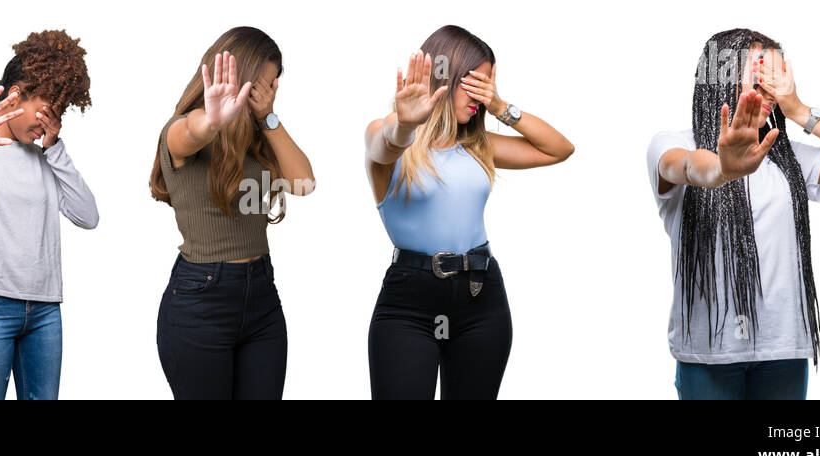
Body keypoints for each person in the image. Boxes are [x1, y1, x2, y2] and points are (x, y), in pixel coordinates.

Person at [648, 28, 820, 400]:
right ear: (722, 79)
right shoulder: (673, 142)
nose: (769, 91)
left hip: (783, 348)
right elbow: (685, 167)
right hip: (710, 352)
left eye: (775, 81)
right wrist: (724, 170)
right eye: (758, 78)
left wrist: (797, 110)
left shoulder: (787, 157)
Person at [362, 25, 574, 400]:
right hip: (410, 302)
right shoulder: (391, 137)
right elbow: (382, 146)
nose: (481, 95)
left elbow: (559, 149)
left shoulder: (479, 145)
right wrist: (406, 123)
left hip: (482, 293)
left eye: (488, 85)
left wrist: (500, 107)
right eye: (475, 83)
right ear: (446, 76)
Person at [150, 26, 315, 400]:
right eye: (263, 85)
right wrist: (211, 121)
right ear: (243, 79)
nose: (268, 94)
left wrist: (268, 118)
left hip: (261, 298)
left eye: (273, 87)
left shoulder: (260, 139)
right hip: (201, 300)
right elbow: (189, 133)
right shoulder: (180, 130)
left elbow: (304, 182)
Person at [0, 30, 98, 400]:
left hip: (45, 311)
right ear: (16, 94)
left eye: (57, 112)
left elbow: (87, 216)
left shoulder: (46, 158)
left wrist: (55, 148)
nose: (47, 120)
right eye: (45, 108)